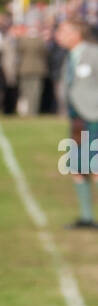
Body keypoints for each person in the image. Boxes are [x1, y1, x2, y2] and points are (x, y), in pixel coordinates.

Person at [57, 17, 98, 229]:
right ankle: (86, 217)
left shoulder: (93, 54)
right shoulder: (69, 56)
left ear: (76, 33)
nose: (58, 36)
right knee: (77, 167)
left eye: (63, 32)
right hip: (76, 119)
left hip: (93, 118)